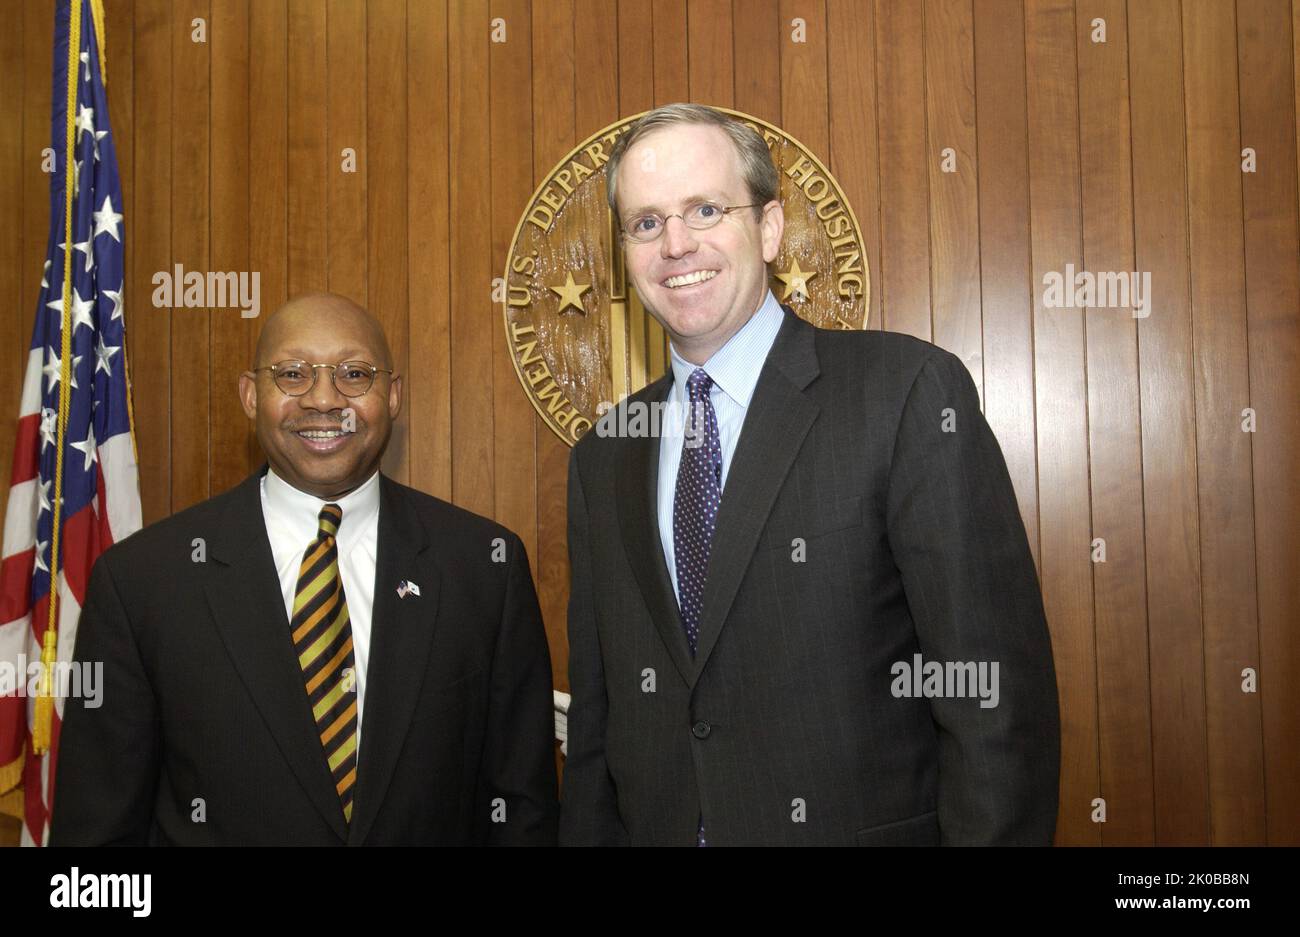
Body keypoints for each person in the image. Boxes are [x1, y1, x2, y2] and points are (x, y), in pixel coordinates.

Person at [559, 104, 1060, 846]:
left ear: (769, 228)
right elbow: (601, 725)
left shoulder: (906, 394)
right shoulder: (603, 454)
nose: (676, 244)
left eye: (704, 208)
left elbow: (992, 705)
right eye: (645, 223)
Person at [51, 293, 558, 845]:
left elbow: (522, 813)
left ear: (393, 396)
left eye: (354, 374)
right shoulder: (141, 583)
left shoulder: (485, 568)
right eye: (292, 374)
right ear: (250, 395)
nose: (323, 399)